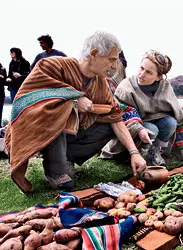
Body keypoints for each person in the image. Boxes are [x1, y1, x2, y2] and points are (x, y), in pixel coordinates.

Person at [5, 31, 147, 194]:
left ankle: (64, 159)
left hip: (73, 136)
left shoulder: (101, 83)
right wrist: (72, 99)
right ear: (94, 54)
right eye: (112, 60)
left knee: (111, 123)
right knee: (60, 108)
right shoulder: (52, 66)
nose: (115, 66)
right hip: (47, 133)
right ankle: (55, 170)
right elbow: (25, 100)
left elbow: (116, 117)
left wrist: (134, 153)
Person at [112, 49, 183, 166]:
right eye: (141, 68)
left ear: (158, 77)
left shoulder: (165, 87)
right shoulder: (126, 88)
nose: (141, 74)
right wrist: (138, 129)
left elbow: (177, 113)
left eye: (149, 72)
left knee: (170, 122)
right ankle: (137, 154)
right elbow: (120, 114)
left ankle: (155, 152)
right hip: (132, 125)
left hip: (155, 122)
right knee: (153, 130)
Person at [0, 63, 7, 128]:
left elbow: (6, 82)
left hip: (1, 92)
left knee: (0, 110)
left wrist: (3, 77)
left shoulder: (2, 69)